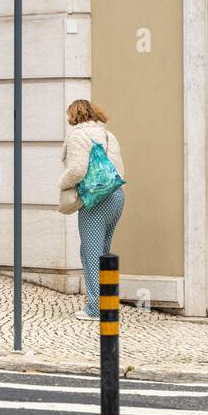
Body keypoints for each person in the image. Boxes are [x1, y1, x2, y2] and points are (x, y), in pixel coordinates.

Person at [58, 99, 125, 321]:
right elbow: (119, 170)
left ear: (73, 116)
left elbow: (77, 170)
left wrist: (61, 184)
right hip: (116, 197)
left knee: (90, 253)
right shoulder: (108, 135)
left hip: (96, 200)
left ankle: (96, 308)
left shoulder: (78, 136)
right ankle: (107, 303)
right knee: (104, 252)